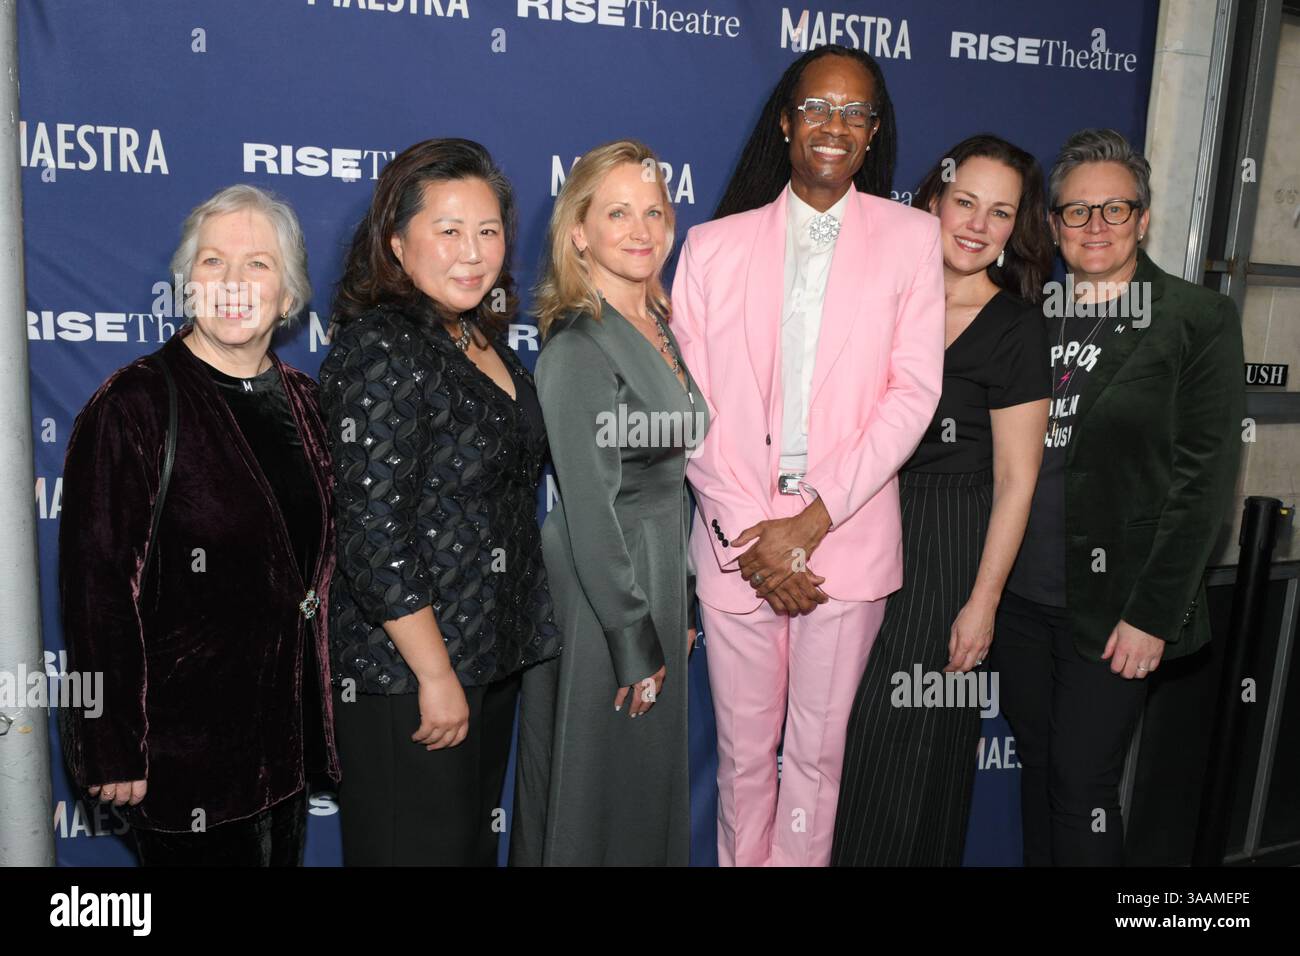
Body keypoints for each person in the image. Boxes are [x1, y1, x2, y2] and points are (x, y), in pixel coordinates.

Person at [671, 44, 945, 867]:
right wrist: (759, 533)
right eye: (818, 107)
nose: (835, 125)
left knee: (817, 765)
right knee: (746, 761)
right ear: (787, 121)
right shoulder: (713, 246)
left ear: (872, 134)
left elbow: (913, 395)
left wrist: (811, 522)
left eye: (855, 112)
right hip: (738, 546)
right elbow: (691, 405)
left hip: (845, 547)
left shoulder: (910, 239)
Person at [59, 184, 335, 866]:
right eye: (213, 262)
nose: (234, 283)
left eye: (258, 264)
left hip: (284, 749)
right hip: (186, 755)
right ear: (187, 285)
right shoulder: (135, 405)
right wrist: (111, 742)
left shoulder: (307, 402)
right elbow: (96, 589)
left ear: (289, 293)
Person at [993, 128, 1245, 866]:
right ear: (1055, 223)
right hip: (1020, 597)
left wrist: (1151, 614)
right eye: (1076, 212)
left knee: (1082, 788)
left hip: (1116, 610)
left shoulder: (1195, 319)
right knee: (1039, 770)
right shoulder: (1026, 316)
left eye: (1115, 209)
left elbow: (1205, 482)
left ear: (1143, 217)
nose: (1095, 226)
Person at [319, 138, 557, 866]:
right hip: (407, 678)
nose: (473, 251)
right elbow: (372, 536)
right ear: (396, 243)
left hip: (488, 660)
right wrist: (434, 675)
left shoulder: (481, 338)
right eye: (447, 231)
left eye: (488, 231)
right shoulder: (380, 348)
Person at [831, 135, 1053, 866]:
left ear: (1015, 228)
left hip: (945, 537)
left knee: (912, 740)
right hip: (858, 518)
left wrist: (983, 601)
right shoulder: (879, 297)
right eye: (965, 201)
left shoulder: (1017, 328)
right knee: (848, 737)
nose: (976, 224)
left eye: (1000, 212)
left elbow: (1018, 478)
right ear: (932, 200)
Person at [510, 140, 706, 866]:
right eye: (617, 211)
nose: (640, 228)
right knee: (598, 781)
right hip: (602, 587)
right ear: (578, 232)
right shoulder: (580, 345)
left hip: (655, 572)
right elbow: (589, 505)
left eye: (653, 212)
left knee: (639, 783)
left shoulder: (659, 329)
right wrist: (630, 633)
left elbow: (671, 481)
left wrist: (679, 599)